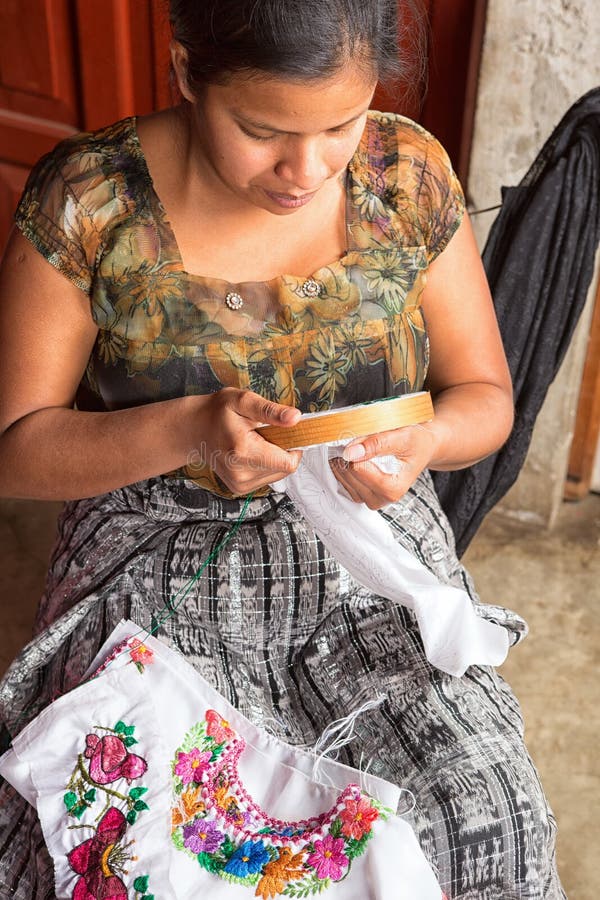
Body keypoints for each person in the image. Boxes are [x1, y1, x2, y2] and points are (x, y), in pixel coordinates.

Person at [0, 1, 564, 897]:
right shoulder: (93, 200)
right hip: (153, 543)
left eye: (339, 124)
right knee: (156, 840)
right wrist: (186, 429)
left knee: (483, 815)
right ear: (188, 72)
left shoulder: (405, 175)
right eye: (261, 130)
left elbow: (484, 399)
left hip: (362, 541)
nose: (306, 169)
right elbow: (18, 447)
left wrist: (425, 441)